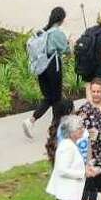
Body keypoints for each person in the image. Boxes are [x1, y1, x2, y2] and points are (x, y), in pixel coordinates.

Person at [23, 7, 70, 140]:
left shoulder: (42, 31)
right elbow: (66, 50)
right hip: (53, 67)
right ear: (61, 19)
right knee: (56, 98)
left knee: (49, 97)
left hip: (41, 67)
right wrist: (70, 42)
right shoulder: (57, 33)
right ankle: (53, 129)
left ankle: (37, 123)